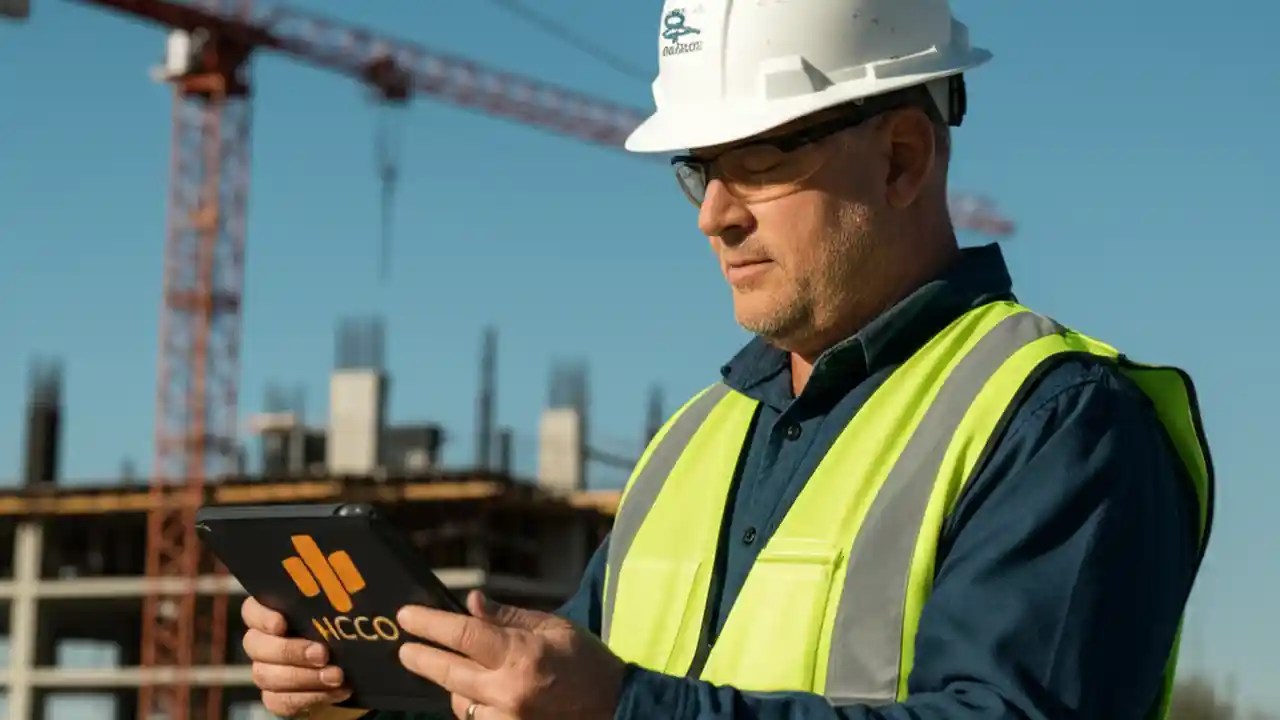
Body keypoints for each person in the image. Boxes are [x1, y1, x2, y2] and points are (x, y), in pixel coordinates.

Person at [240, 0, 1216, 718]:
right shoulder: (690, 443)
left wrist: (620, 711)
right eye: (701, 170)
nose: (714, 212)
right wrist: (375, 695)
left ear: (902, 159)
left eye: (757, 158)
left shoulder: (1056, 424)